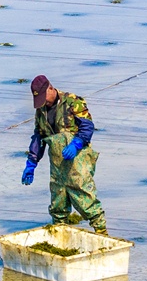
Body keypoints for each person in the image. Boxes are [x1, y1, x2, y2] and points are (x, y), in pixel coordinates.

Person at [21, 75, 107, 234]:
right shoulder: (41, 111)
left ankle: (101, 232)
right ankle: (60, 233)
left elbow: (87, 127)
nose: (43, 103)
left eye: (43, 98)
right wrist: (31, 163)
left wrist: (77, 143)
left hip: (77, 160)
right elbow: (39, 137)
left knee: (84, 198)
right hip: (57, 163)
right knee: (58, 203)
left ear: (50, 89)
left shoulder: (72, 101)